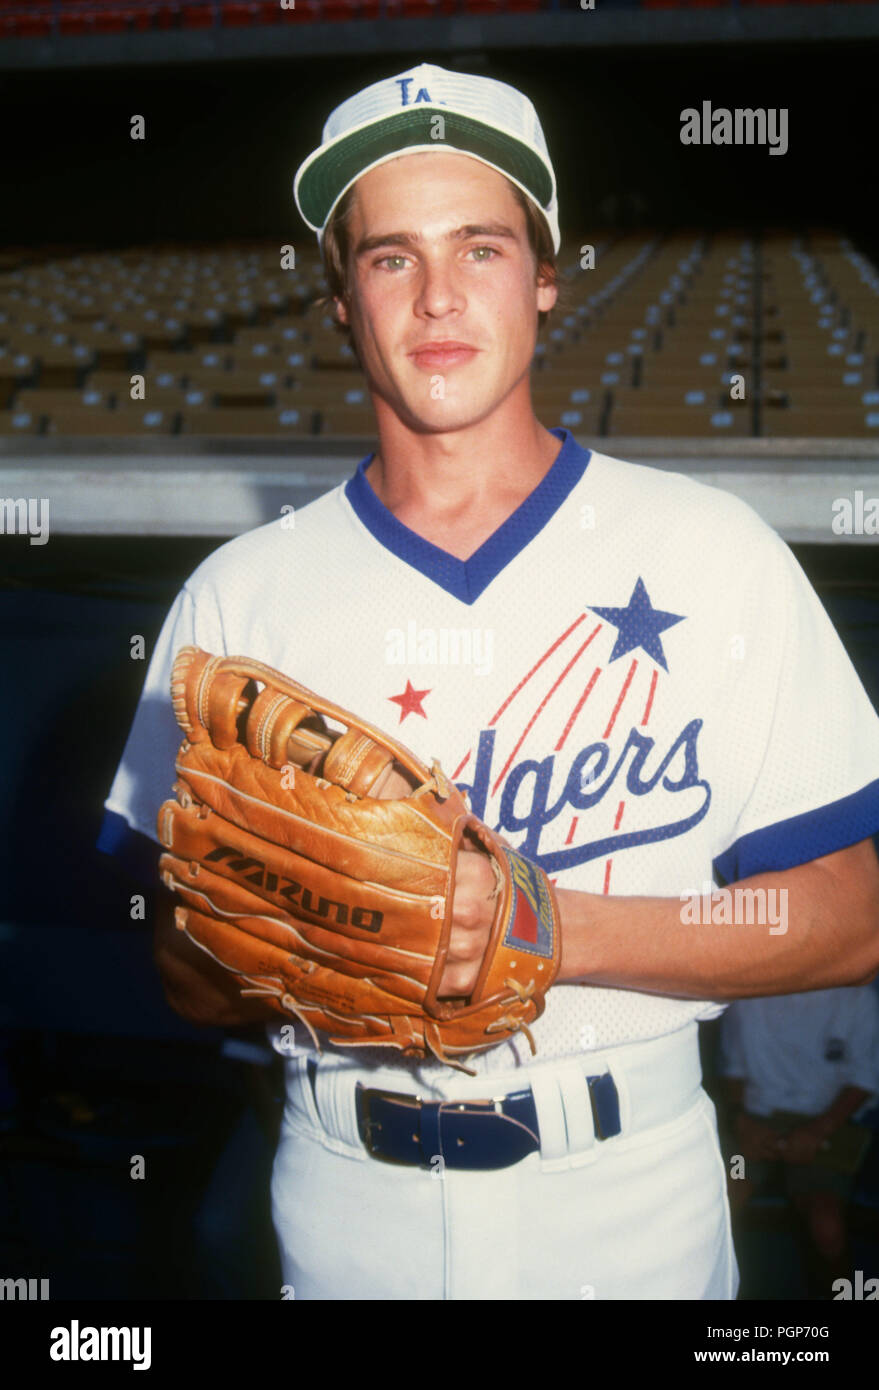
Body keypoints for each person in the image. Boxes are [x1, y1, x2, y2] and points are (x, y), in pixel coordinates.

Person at [98, 61, 879, 1301]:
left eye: (484, 247)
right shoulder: (238, 599)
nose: (439, 297)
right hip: (349, 1198)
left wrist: (542, 929)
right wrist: (315, 938)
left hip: (636, 1200)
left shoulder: (715, 550)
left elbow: (850, 915)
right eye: (392, 258)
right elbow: (186, 968)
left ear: (548, 277)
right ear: (340, 303)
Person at [719, 987, 879, 1298]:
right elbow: (732, 1071)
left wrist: (820, 1129)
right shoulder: (748, 993)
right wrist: (740, 1121)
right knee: (726, 1193)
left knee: (826, 1223)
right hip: (755, 1125)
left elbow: (865, 1079)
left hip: (830, 1125)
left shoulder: (859, 998)